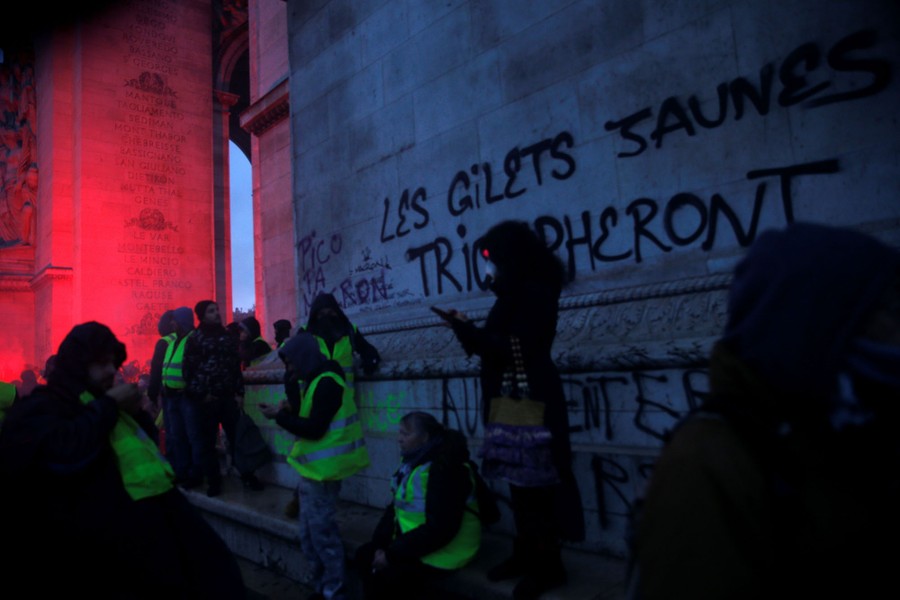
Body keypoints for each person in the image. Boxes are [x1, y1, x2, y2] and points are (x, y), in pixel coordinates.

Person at [628, 222, 900, 599]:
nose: (895, 333)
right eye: (884, 314)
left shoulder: (850, 427)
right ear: (814, 324)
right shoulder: (707, 465)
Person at [0, 321, 246, 598]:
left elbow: (145, 449)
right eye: (100, 363)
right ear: (77, 364)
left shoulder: (109, 404)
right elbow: (62, 452)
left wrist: (136, 412)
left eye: (112, 363)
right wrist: (109, 405)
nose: (110, 371)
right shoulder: (42, 407)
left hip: (157, 526)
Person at [442, 220, 583, 600]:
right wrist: (469, 330)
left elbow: (514, 348)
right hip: (512, 398)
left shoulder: (534, 293)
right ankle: (526, 553)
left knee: (534, 485)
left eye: (492, 258)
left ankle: (547, 564)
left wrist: (469, 332)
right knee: (520, 483)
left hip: (527, 399)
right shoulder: (514, 293)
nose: (488, 266)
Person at [260, 331, 370, 600]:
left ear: (303, 357)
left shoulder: (327, 383)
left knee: (322, 537)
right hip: (315, 472)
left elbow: (314, 428)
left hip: (324, 474)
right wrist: (287, 411)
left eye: (290, 363)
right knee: (310, 536)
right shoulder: (317, 380)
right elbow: (313, 418)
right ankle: (323, 587)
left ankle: (334, 591)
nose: (289, 369)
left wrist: (279, 417)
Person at [355, 412, 482, 600]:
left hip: (449, 549)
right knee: (366, 555)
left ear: (425, 437)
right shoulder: (413, 461)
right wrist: (380, 545)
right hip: (420, 541)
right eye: (399, 432)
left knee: (390, 576)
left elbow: (440, 528)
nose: (399, 439)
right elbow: (395, 508)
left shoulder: (445, 468)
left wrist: (391, 555)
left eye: (406, 434)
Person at [281, 292, 381, 518]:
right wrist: (295, 404)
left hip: (343, 404)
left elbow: (367, 349)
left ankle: (320, 499)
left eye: (331, 311)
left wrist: (370, 360)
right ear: (314, 315)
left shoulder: (349, 331)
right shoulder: (306, 335)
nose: (327, 316)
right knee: (310, 452)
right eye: (322, 313)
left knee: (333, 455)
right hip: (312, 402)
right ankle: (302, 497)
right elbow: (291, 373)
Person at [183, 300, 262, 495]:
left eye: (217, 310)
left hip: (227, 399)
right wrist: (202, 394)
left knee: (237, 439)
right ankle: (214, 481)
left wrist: (239, 393)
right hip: (207, 401)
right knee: (207, 443)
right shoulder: (195, 339)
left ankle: (247, 475)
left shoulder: (227, 337)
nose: (216, 313)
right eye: (211, 311)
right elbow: (188, 371)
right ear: (202, 315)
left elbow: (235, 368)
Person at [160, 306, 196, 486]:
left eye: (174, 320)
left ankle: (192, 473)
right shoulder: (173, 341)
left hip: (186, 397)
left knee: (190, 436)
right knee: (177, 436)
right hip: (171, 396)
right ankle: (181, 472)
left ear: (182, 321)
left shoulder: (193, 340)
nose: (172, 323)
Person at [147, 309, 176, 413]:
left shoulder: (164, 341)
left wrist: (152, 394)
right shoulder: (190, 337)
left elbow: (156, 370)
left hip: (168, 391)